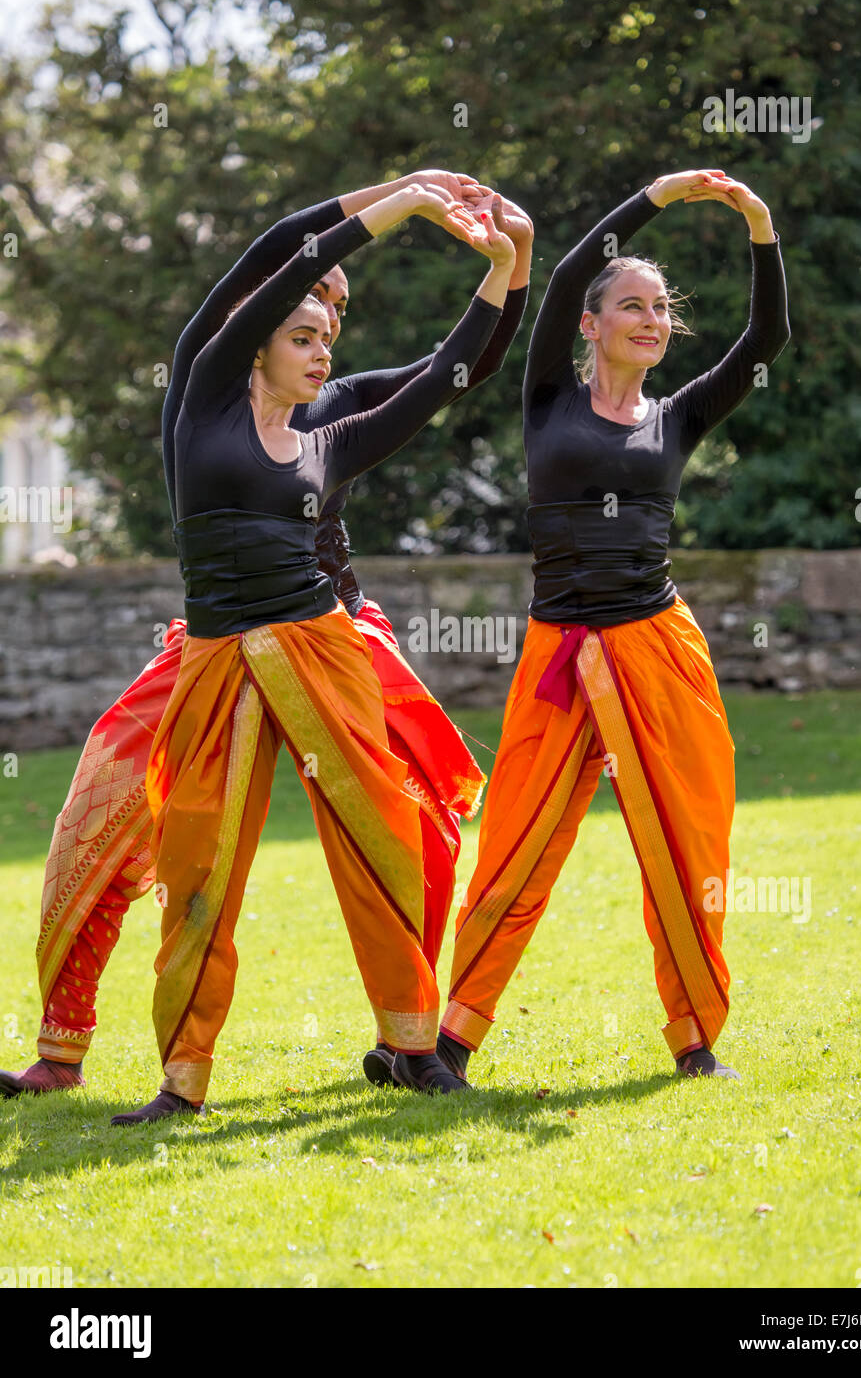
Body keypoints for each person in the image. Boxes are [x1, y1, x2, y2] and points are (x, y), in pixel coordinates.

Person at [0, 175, 532, 1100]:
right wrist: (404, 195)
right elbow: (289, 243)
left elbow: (461, 369)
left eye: (332, 317)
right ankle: (63, 1051)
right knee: (112, 816)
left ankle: (412, 1041)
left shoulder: (341, 413)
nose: (321, 321)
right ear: (255, 328)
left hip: (335, 635)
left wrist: (509, 264)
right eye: (301, 313)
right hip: (212, 643)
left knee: (415, 824)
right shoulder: (203, 396)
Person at [434, 169, 790, 1085]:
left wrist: (757, 226)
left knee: (686, 838)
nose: (650, 319)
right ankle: (451, 1043)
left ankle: (696, 1039)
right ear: (591, 326)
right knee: (515, 840)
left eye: (661, 308)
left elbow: (767, 338)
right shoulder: (549, 396)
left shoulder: (678, 416)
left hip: (656, 645)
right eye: (630, 305)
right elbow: (555, 279)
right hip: (559, 649)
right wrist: (660, 194)